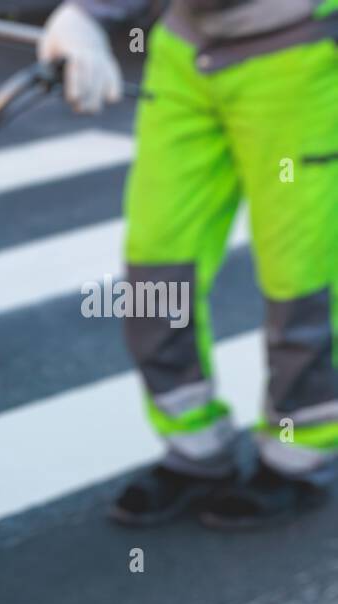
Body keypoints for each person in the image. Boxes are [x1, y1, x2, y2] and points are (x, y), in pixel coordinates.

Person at [38, 1, 338, 529]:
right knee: (156, 273)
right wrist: (84, 13)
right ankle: (197, 450)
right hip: (185, 54)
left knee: (302, 280)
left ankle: (299, 456)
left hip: (301, 55)